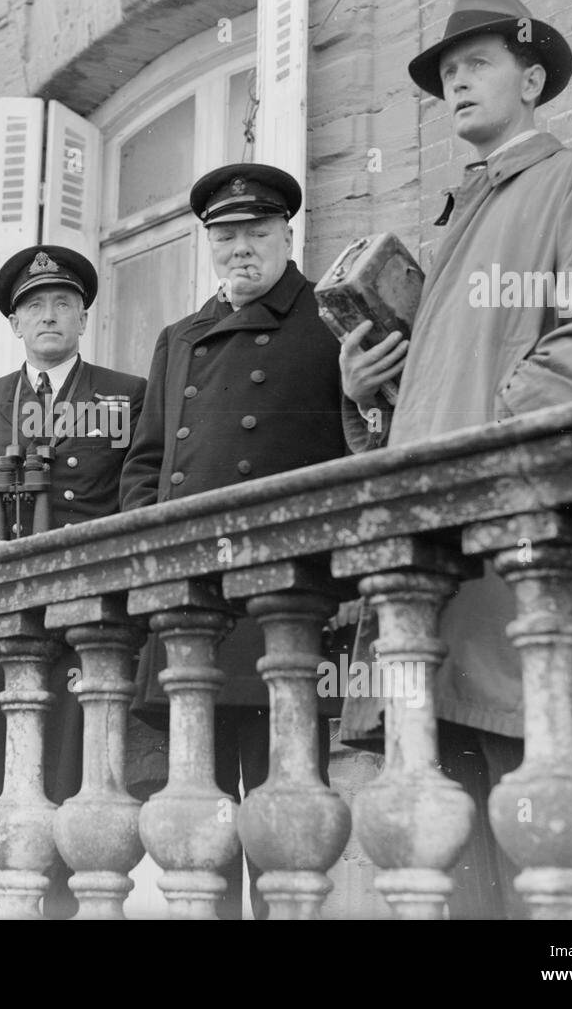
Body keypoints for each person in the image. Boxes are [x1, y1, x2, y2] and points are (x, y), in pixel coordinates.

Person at [339, 0, 572, 918]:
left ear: (531, 79)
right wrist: (375, 398)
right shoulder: (450, 232)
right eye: (446, 75)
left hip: (531, 579)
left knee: (551, 876)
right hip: (447, 587)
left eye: (474, 64)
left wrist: (472, 446)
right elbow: (443, 399)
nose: (455, 83)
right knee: (462, 873)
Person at [119, 163, 348, 919]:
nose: (240, 249)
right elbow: (146, 465)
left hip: (288, 608)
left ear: (287, 233)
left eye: (256, 232)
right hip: (192, 615)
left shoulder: (330, 318)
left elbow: (362, 452)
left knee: (286, 828)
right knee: (197, 828)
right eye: (225, 236)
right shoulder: (178, 338)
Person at [0, 244, 146, 916]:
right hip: (2, 624)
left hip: (85, 620)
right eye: (34, 307)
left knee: (77, 785)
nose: (48, 316)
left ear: (83, 318)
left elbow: (140, 497)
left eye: (61, 304)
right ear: (16, 325)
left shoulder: (124, 394)